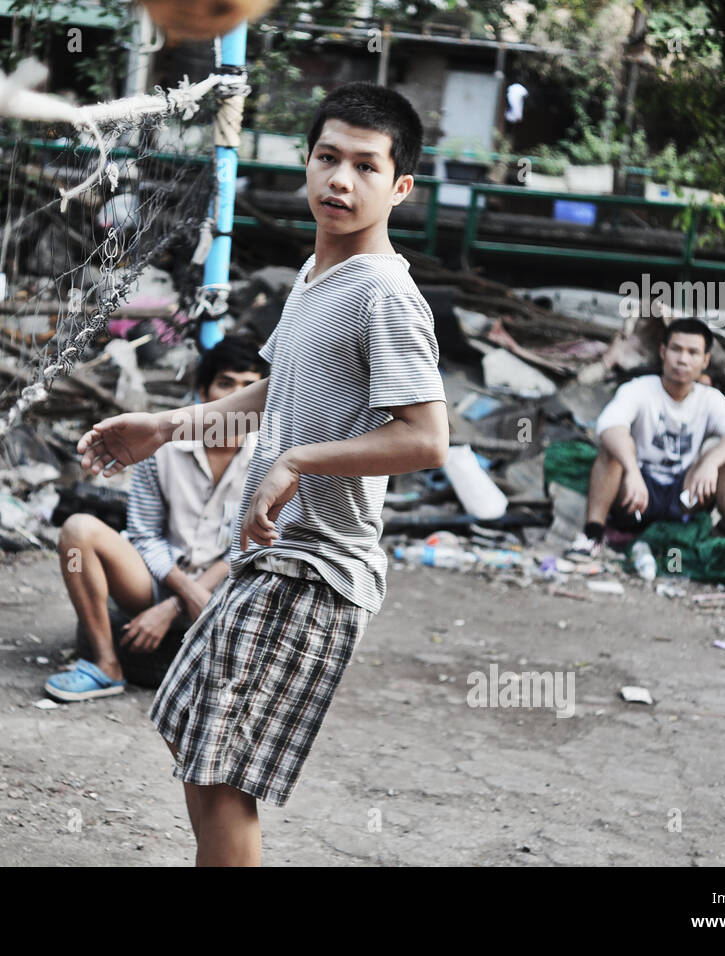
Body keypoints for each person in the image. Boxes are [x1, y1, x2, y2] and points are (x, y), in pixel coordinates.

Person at [76, 82, 450, 865]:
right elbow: (274, 390)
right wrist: (166, 427)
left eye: (365, 167)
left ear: (401, 187)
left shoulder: (384, 293)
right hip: (268, 563)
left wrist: (299, 461)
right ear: (306, 165)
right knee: (196, 745)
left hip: (315, 570)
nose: (340, 181)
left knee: (222, 775)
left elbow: (426, 438)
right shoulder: (316, 280)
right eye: (327, 158)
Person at [46, 336, 267, 702]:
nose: (234, 398)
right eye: (225, 383)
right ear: (202, 391)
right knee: (78, 530)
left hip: (229, 588)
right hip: (161, 579)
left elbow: (254, 544)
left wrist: (178, 606)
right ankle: (105, 665)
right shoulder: (160, 446)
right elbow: (145, 535)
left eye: (249, 387)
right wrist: (178, 593)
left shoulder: (270, 455)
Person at [566, 317, 725, 561]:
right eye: (676, 349)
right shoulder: (639, 389)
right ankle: (592, 535)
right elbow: (609, 426)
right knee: (611, 452)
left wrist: (709, 463)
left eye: (692, 352)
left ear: (705, 360)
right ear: (663, 352)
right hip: (638, 494)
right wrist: (632, 471)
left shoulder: (710, 399)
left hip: (685, 495)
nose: (683, 359)